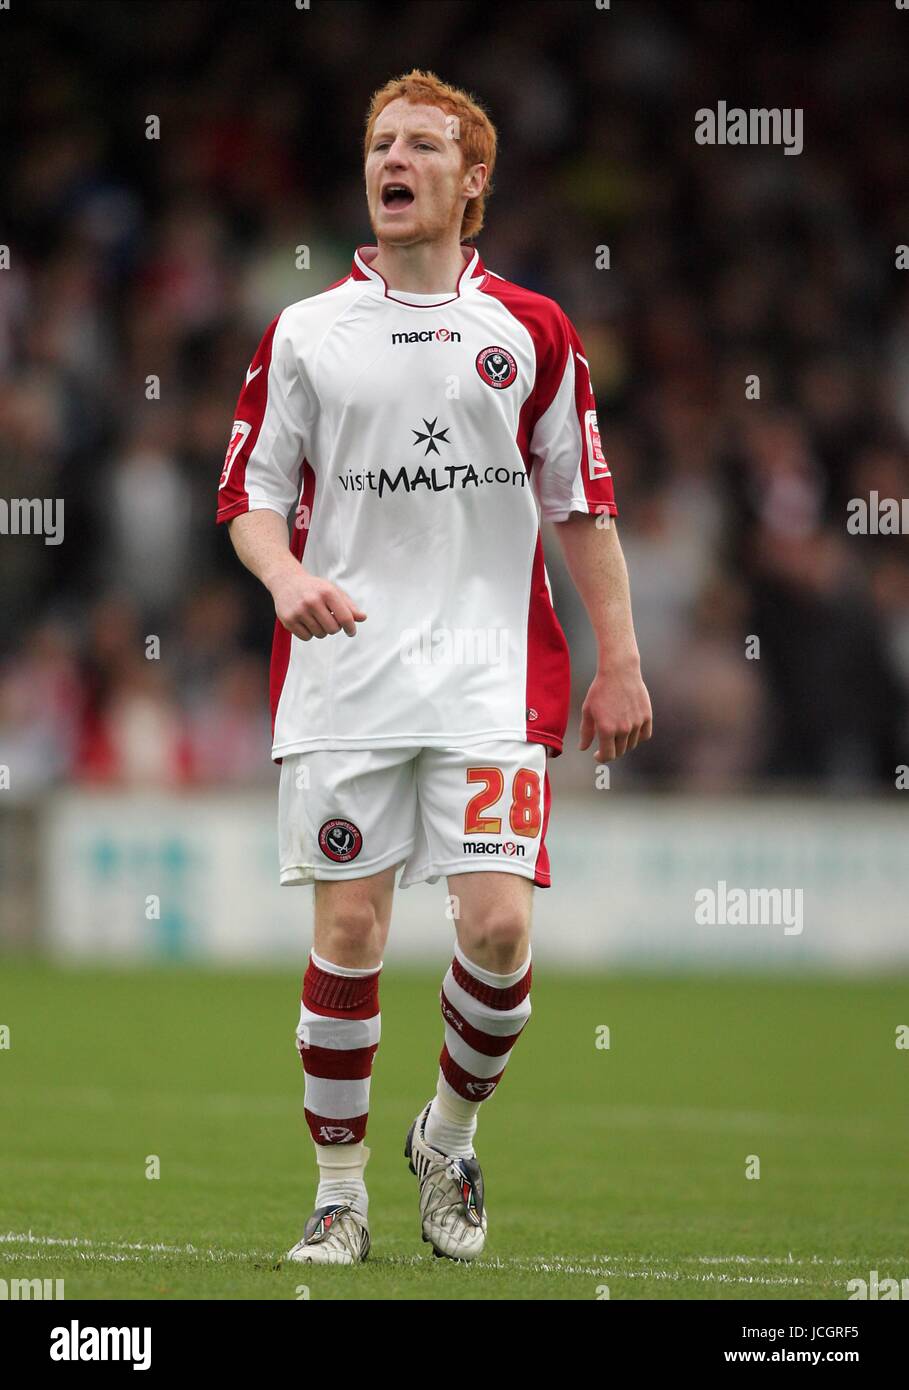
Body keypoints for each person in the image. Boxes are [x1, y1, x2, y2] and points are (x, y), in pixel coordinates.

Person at [217, 69, 651, 1266]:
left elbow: (587, 506)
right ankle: (339, 1195)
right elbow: (248, 497)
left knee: (501, 931)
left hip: (488, 679)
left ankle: (449, 1136)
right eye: (378, 143)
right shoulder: (305, 332)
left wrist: (619, 658)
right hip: (344, 678)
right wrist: (284, 576)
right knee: (349, 928)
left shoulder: (536, 331)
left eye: (420, 145)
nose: (392, 161)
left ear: (472, 182)